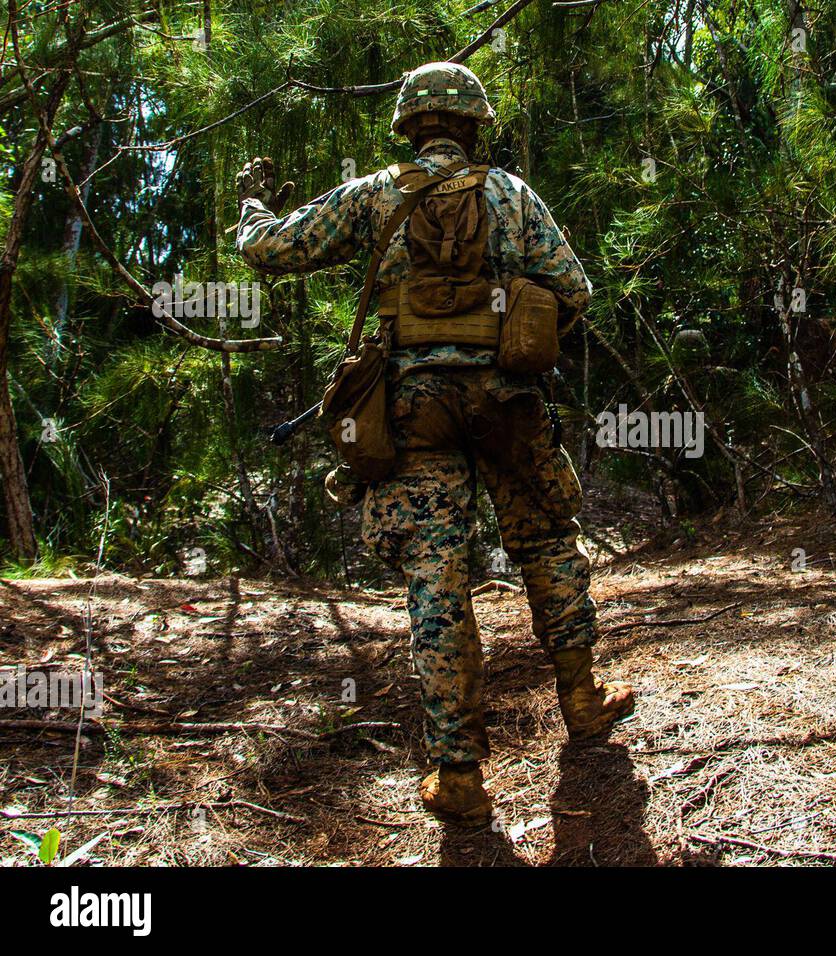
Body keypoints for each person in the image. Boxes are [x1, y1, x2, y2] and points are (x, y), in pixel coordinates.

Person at [234, 61, 634, 826]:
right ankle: (583, 700)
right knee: (548, 540)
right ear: (476, 122)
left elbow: (270, 251)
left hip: (411, 412)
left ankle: (459, 774)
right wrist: (512, 339)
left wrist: (254, 206)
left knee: (437, 581)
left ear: (410, 125)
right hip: (506, 402)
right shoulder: (512, 195)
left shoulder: (374, 192)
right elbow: (574, 291)